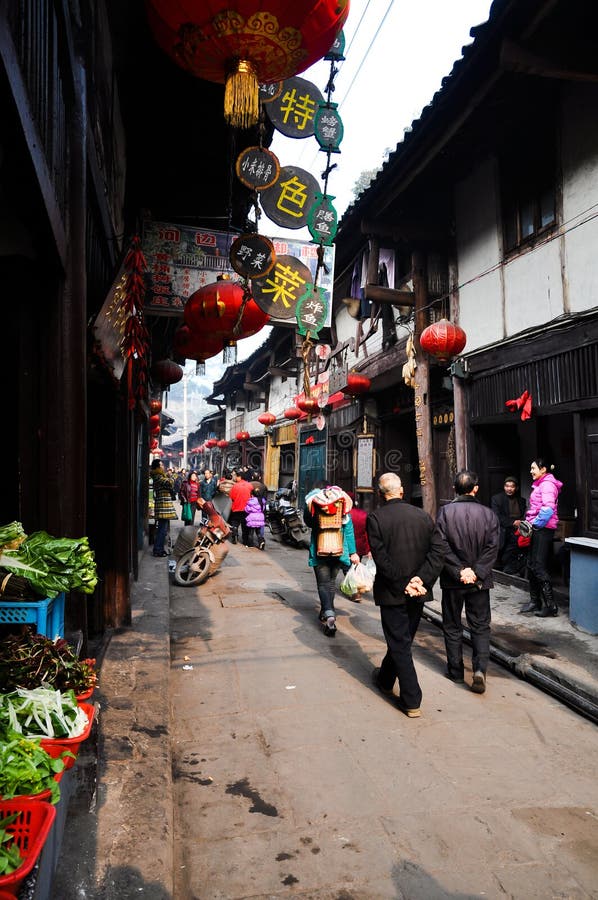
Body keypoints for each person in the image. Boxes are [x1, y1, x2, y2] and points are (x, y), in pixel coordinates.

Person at [366, 473, 444, 718]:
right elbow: (438, 551)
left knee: (400, 642)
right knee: (402, 640)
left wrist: (405, 583)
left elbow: (382, 558)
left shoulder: (376, 518)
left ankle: (412, 699)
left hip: (393, 591)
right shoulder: (423, 516)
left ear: (381, 494)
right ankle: (386, 679)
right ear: (401, 492)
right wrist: (422, 579)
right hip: (417, 591)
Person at [434, 470, 500, 695]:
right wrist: (478, 571)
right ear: (476, 488)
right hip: (479, 582)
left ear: (454, 489)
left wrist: (459, 570)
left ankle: (455, 670)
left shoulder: (444, 513)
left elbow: (441, 545)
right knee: (480, 626)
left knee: (452, 625)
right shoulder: (489, 514)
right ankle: (480, 670)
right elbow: (493, 547)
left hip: (454, 581)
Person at [304, 484, 360, 637]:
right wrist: (353, 553)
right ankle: (328, 611)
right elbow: (349, 533)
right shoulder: (344, 513)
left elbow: (307, 521)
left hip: (319, 551)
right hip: (339, 552)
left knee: (323, 584)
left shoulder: (316, 511)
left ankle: (329, 615)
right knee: (330, 583)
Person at [519, 457, 563, 617]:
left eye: (533, 468)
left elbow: (548, 509)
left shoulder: (547, 485)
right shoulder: (541, 484)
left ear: (543, 469)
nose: (531, 471)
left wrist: (533, 524)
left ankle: (551, 606)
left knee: (538, 565)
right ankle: (534, 601)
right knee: (531, 564)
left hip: (543, 529)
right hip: (538, 528)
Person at [491, 476, 527, 574]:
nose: (509, 489)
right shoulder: (497, 499)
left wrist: (521, 523)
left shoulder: (522, 501)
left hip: (518, 531)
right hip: (504, 530)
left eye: (512, 486)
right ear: (504, 487)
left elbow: (525, 515)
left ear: (516, 488)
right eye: (507, 486)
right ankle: (506, 571)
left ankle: (513, 570)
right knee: (505, 554)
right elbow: (497, 516)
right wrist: (512, 522)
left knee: (518, 552)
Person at [150, 459, 177, 557]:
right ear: (157, 467)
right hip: (162, 506)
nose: (163, 467)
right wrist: (174, 476)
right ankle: (158, 550)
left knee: (163, 529)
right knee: (162, 530)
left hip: (164, 506)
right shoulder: (157, 476)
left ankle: (159, 549)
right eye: (161, 465)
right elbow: (169, 483)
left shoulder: (160, 475)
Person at [229, 470, 253, 545]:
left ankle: (234, 534)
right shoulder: (249, 485)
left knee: (235, 522)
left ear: (240, 477)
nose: (235, 478)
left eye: (236, 476)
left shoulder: (235, 486)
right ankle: (245, 541)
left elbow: (231, 497)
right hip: (247, 509)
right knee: (245, 525)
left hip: (236, 507)